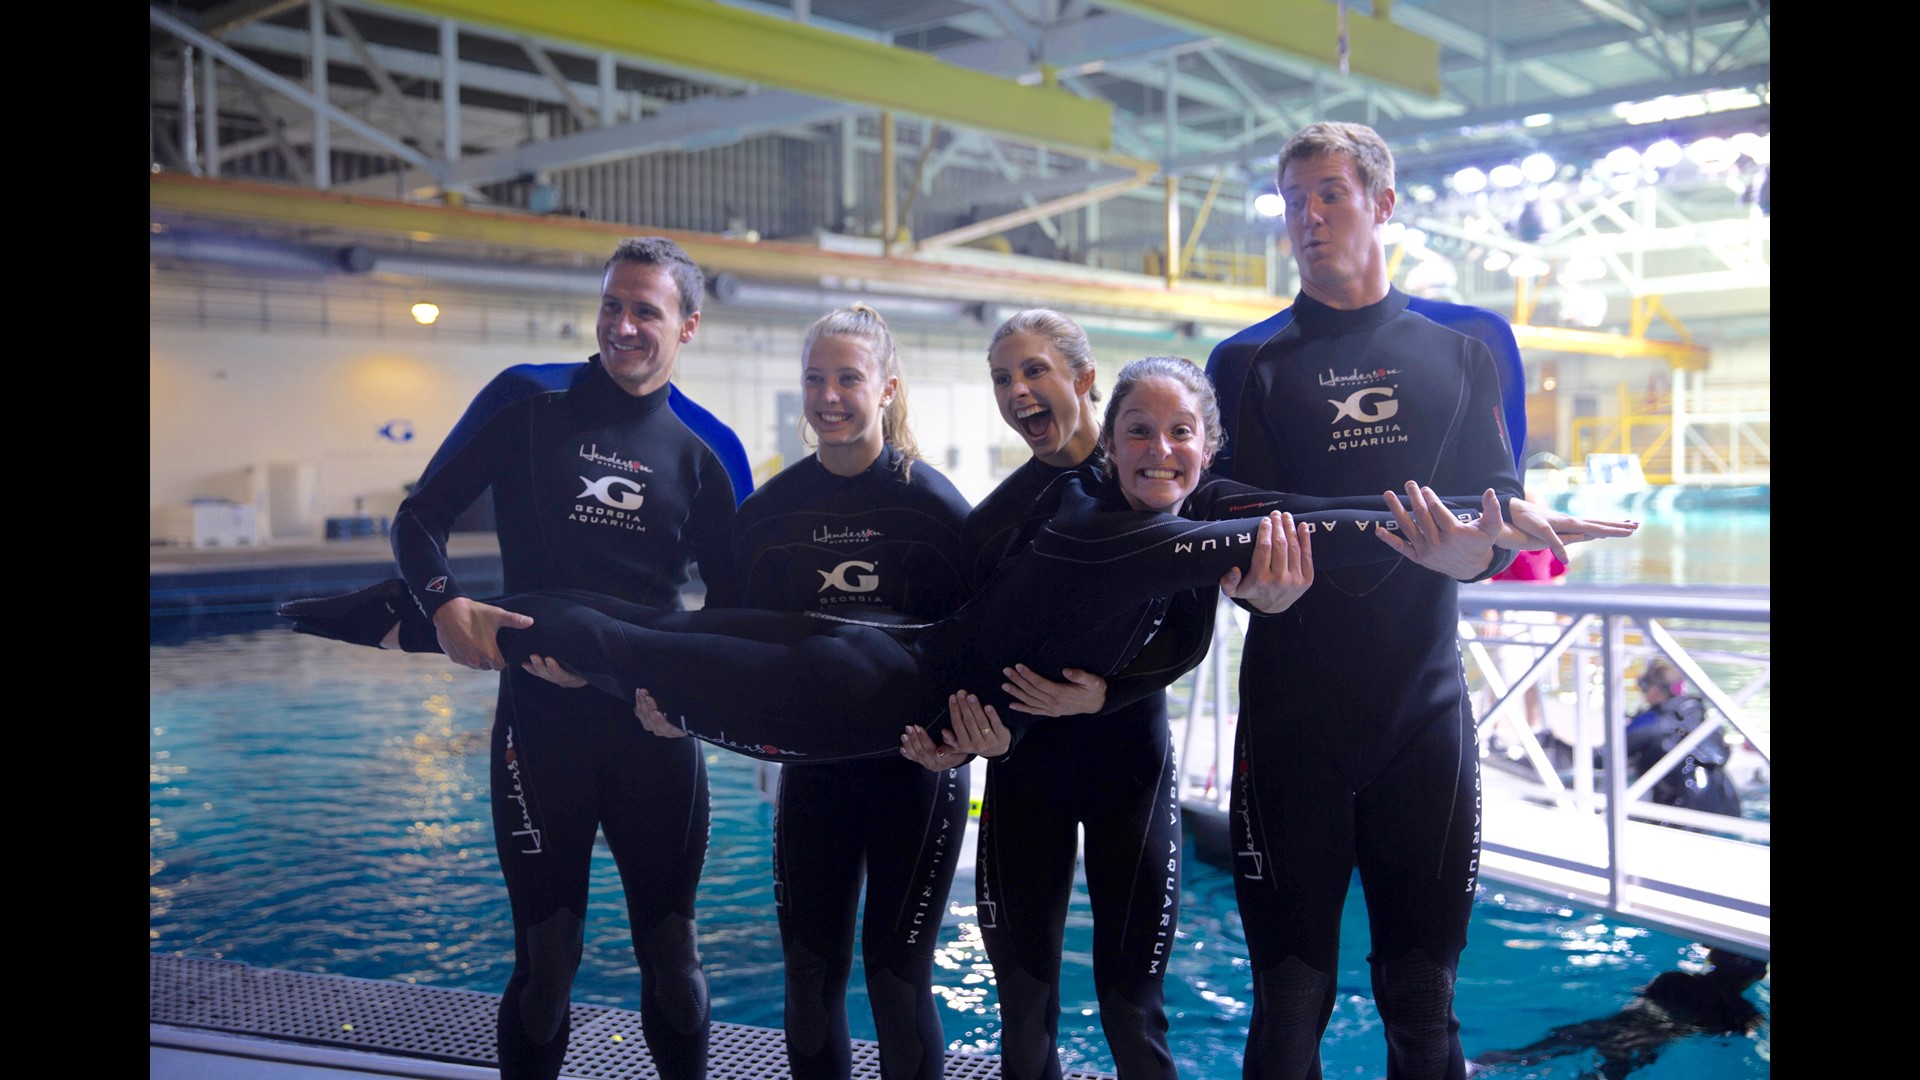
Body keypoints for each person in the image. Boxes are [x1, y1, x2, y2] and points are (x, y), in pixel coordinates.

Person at [289, 364, 1626, 770]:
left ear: (1205, 451)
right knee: (648, 628)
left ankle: (449, 635)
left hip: (898, 715)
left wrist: (1519, 521)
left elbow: (1332, 512)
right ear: (1119, 436)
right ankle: (413, 615)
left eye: (1182, 435)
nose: (1160, 450)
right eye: (1142, 430)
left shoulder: (1183, 526)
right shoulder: (1086, 498)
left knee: (635, 648)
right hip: (897, 665)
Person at [1204, 121, 1530, 1080]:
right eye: (1292, 200)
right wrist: (1256, 589)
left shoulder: (1465, 347)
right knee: (1288, 1006)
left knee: (1423, 1007)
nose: (1307, 217)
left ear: (1383, 203)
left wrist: (1476, 559)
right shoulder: (1248, 362)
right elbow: (1228, 514)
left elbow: (1493, 509)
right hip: (1290, 721)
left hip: (1422, 717)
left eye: (1330, 194)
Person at [385, 236, 740, 1080]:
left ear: (687, 326)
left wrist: (677, 691)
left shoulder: (708, 448)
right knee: (547, 964)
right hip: (539, 729)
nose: (622, 325)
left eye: (644, 311)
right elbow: (417, 518)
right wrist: (445, 605)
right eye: (611, 305)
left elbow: (736, 615)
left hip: (653, 730)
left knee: (675, 962)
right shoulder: (526, 399)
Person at [908, 318, 1296, 1080]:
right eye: (1002, 377)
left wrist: (1106, 695)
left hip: (1131, 772)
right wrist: (964, 735)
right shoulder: (1007, 519)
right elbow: (963, 647)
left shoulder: (1179, 495)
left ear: (1083, 380)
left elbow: (1188, 633)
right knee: (1022, 1011)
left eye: (1036, 371)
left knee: (1131, 1009)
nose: (1019, 391)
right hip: (1025, 776)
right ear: (1116, 436)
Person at [713, 304, 976, 1080]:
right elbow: (725, 641)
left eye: (849, 378)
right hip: (816, 772)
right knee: (808, 976)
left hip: (916, 774)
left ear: (887, 388)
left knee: (897, 977)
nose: (830, 395)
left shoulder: (934, 511)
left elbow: (979, 645)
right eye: (816, 378)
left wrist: (966, 735)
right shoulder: (767, 517)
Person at [1470, 948, 1767, 1078]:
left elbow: (1640, 999)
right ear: (1758, 976)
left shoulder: (1672, 979)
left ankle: (1477, 1066)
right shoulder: (1743, 1014)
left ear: (1710, 957)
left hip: (1611, 1024)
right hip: (1643, 1043)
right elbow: (1728, 1039)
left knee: (1535, 1050)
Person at [1626, 658, 1741, 818]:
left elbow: (1606, 755)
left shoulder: (1653, 722)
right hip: (1727, 812)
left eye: (1643, 687)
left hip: (1682, 820)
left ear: (1654, 690)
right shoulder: (1702, 718)